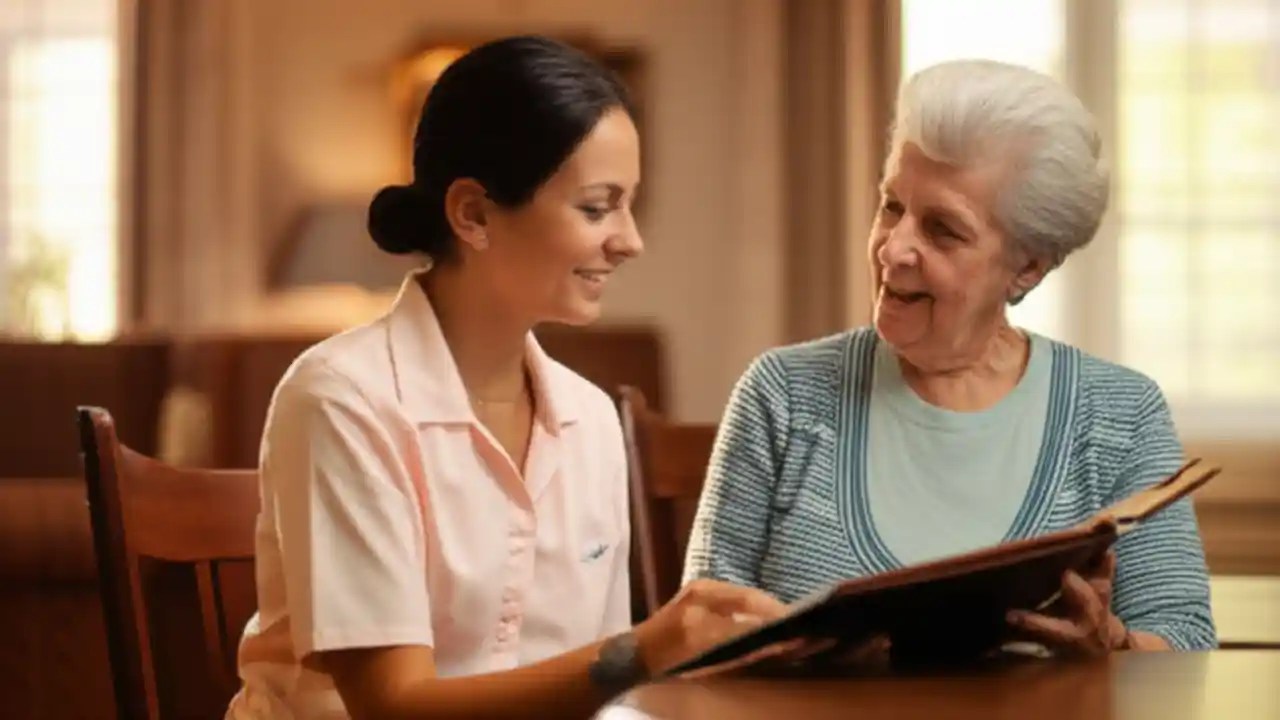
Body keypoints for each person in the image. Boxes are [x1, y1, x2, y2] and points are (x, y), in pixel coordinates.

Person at [226, 35, 785, 720]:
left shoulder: (591, 421)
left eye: (628, 204)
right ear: (474, 214)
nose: (629, 239)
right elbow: (393, 706)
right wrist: (644, 648)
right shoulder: (342, 400)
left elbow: (598, 694)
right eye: (597, 206)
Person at [683, 59, 1216, 657]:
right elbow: (695, 634)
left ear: (1027, 266)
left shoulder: (1122, 414)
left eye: (942, 230)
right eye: (891, 206)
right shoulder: (781, 394)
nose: (894, 248)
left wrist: (1110, 647)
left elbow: (1186, 644)